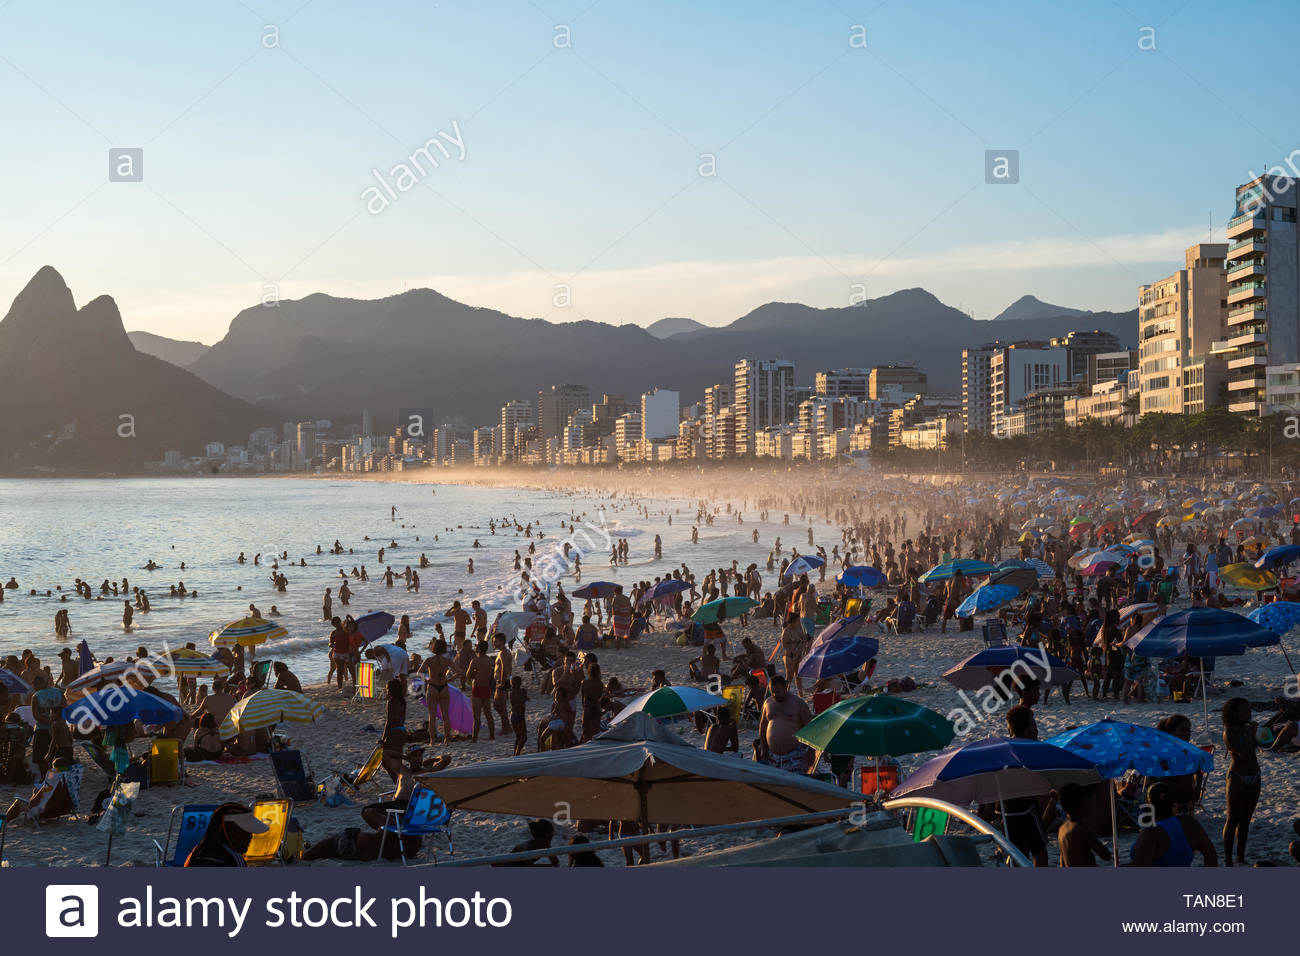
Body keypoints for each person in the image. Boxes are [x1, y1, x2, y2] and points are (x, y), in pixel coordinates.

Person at [1129, 781, 1217, 867]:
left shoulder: (1151, 833)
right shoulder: (1189, 823)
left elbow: (1139, 865)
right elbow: (1211, 855)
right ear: (1173, 802)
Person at [1221, 696, 1260, 866]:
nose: (1249, 713)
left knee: (1246, 820)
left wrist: (1255, 734)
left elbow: (1256, 746)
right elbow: (1243, 753)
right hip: (1237, 776)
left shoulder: (1246, 729)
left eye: (1249, 710)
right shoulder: (1229, 732)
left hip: (1255, 774)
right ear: (1235, 713)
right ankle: (1229, 859)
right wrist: (1251, 734)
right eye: (1245, 711)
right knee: (1232, 819)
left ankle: (1241, 857)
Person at [756, 675, 812, 772]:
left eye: (777, 691)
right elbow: (763, 727)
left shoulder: (798, 703)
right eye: (772, 691)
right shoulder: (768, 703)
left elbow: (811, 728)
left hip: (794, 755)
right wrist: (763, 747)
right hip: (772, 756)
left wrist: (811, 751)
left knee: (792, 786)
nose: (774, 694)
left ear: (785, 688)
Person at [1055, 783, 1109, 866]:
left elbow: (1062, 862)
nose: (1089, 804)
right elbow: (1106, 855)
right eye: (1086, 800)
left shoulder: (1062, 829)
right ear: (1081, 804)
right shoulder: (1081, 829)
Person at [467, 641, 496, 742]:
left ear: (478, 648)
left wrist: (474, 674)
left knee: (477, 716)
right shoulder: (490, 660)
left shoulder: (475, 660)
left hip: (478, 688)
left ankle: (474, 738)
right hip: (486, 687)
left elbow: (468, 675)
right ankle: (492, 735)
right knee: (488, 713)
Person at [380, 678, 407, 783]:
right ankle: (400, 781)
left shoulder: (391, 702)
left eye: (387, 689)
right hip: (402, 731)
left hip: (394, 732)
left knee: (385, 759)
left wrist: (383, 738)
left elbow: (389, 721)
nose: (387, 691)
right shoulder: (402, 701)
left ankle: (397, 782)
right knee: (397, 760)